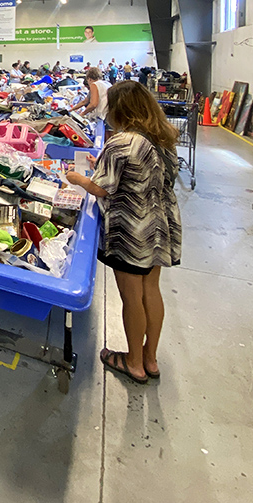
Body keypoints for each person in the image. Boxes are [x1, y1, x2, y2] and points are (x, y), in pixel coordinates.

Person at [66, 81, 181, 384]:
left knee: (132, 298)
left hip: (132, 230)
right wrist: (100, 162)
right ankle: (150, 359)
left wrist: (78, 177)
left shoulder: (122, 142)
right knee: (151, 292)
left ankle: (133, 363)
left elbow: (102, 189)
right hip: (160, 226)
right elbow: (143, 173)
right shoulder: (164, 138)